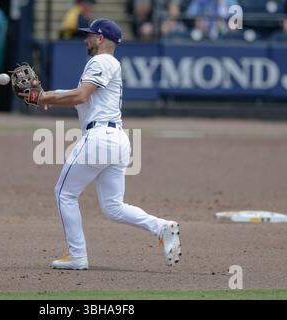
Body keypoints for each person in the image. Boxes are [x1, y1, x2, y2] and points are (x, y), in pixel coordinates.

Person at [35, 19, 182, 270]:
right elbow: (80, 97)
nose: (86, 39)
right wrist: (44, 96)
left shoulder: (101, 61)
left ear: (101, 38)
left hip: (100, 138)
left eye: (90, 35)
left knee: (64, 193)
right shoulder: (108, 65)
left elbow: (80, 95)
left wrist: (43, 97)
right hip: (117, 140)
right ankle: (161, 227)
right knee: (114, 207)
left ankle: (77, 256)